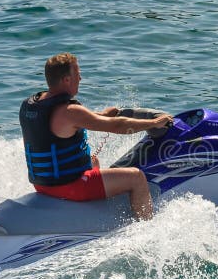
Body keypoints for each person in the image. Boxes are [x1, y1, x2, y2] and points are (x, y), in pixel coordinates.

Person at [19, 53, 172, 220]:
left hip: (42, 185)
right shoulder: (69, 111)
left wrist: (102, 115)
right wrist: (154, 123)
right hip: (69, 186)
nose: (81, 78)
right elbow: (118, 126)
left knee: (94, 162)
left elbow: (71, 122)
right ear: (66, 80)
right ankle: (146, 226)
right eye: (77, 74)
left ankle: (92, 210)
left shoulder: (31, 105)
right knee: (136, 177)